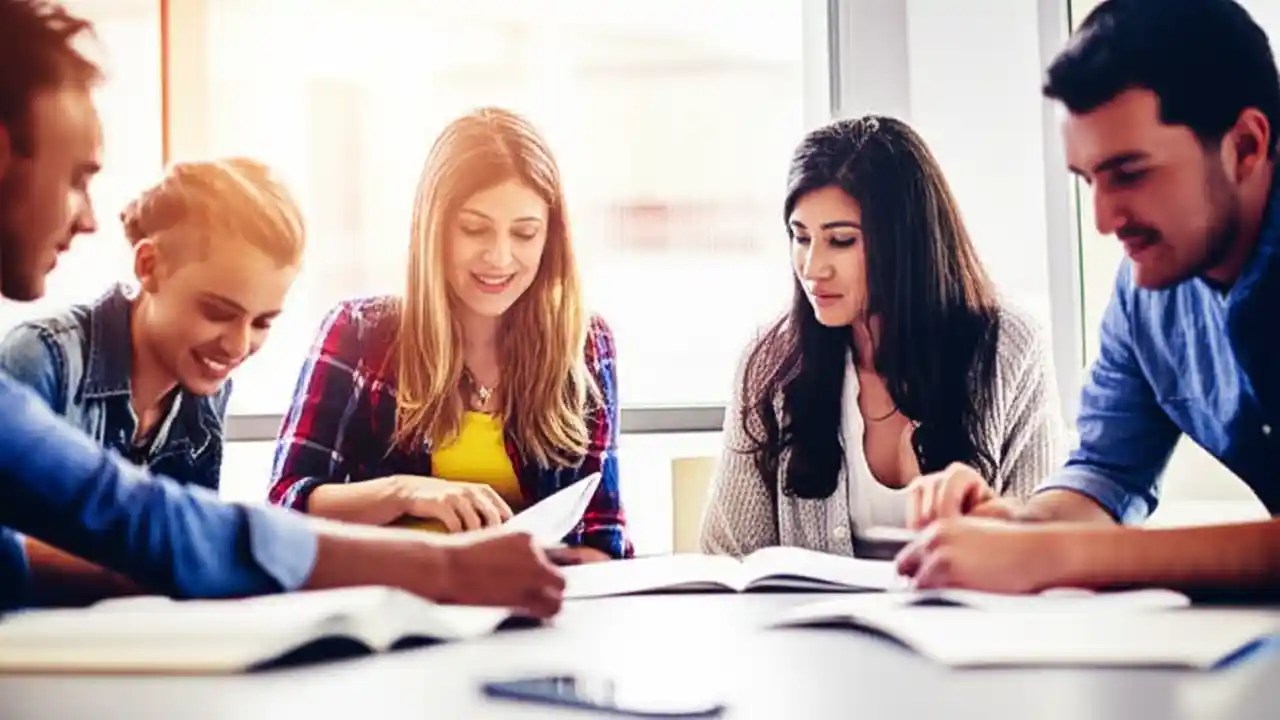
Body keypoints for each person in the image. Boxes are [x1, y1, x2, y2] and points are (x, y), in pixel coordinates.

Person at [0, 0, 563, 615]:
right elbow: (149, 523)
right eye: (76, 177)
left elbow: (164, 532)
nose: (86, 218)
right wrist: (437, 565)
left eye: (263, 321)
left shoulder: (201, 389)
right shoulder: (43, 359)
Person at [898, 0, 1280, 593]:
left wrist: (1064, 557)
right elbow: (1105, 473)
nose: (1103, 220)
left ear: (1246, 147)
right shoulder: (1146, 292)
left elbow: (1080, 544)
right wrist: (1016, 527)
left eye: (1130, 173)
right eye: (1088, 180)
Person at [268, 108, 629, 563]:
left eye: (525, 233)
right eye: (474, 229)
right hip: (391, 613)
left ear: (550, 238)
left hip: (531, 619)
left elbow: (605, 539)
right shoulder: (357, 334)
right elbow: (284, 506)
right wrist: (407, 493)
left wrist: (515, 565)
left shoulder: (586, 345)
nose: (500, 257)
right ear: (434, 229)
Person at [699, 116, 1064, 557]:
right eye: (800, 237)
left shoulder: (1010, 348)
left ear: (905, 242)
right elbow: (728, 558)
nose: (813, 267)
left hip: (969, 625)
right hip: (808, 628)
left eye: (841, 240)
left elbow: (1042, 548)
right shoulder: (770, 362)